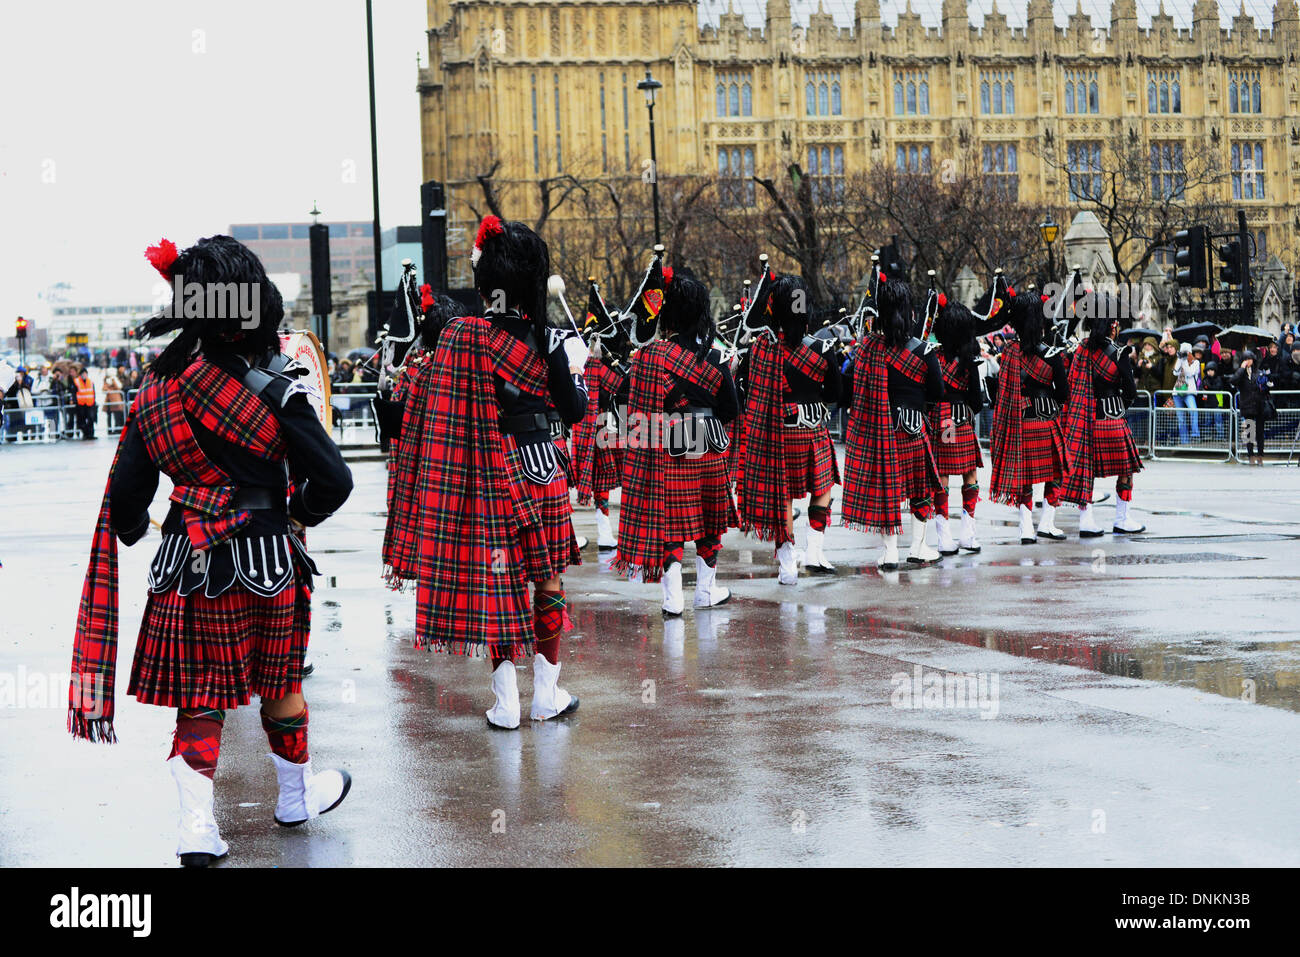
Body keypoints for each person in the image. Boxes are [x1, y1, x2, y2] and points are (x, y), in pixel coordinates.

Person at [67, 235, 354, 867]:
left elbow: (125, 510)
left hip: (186, 565)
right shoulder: (280, 388)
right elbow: (335, 481)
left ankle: (196, 829)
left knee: (200, 698)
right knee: (280, 686)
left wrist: (145, 526)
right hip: (267, 563)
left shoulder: (156, 394)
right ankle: (295, 799)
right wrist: (291, 516)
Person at [404, 215, 587, 729]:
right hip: (540, 468)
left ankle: (506, 704)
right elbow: (572, 413)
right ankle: (546, 694)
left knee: (499, 582)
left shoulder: (461, 336)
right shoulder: (548, 339)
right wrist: (580, 376)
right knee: (547, 582)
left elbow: (445, 411)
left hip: (484, 470)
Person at [614, 269, 739, 613]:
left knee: (670, 526)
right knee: (710, 524)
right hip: (710, 449)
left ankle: (673, 599)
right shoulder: (716, 358)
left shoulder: (647, 358)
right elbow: (731, 409)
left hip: (668, 449)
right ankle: (705, 591)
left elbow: (624, 404)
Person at [735, 275, 841, 582]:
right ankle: (814, 552)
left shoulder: (760, 350)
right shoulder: (822, 349)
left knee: (783, 497)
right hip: (812, 429)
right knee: (821, 491)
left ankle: (787, 563)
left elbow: (746, 389)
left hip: (778, 432)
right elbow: (836, 394)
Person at [841, 279, 945, 569]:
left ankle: (890, 553)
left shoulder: (868, 350)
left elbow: (849, 388)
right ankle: (918, 546)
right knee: (920, 491)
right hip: (913, 431)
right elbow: (937, 393)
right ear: (909, 312)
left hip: (879, 432)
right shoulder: (924, 351)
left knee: (887, 492)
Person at [989, 291, 1072, 544]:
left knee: (1024, 477)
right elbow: (1064, 394)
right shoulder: (1052, 354)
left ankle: (1026, 527)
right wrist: (1050, 403)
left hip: (1020, 422)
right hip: (1047, 421)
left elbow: (1002, 393)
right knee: (1055, 473)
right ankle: (1047, 523)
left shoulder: (1010, 353)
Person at [1060, 300, 1146, 535]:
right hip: (1112, 420)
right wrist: (1120, 405)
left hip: (1085, 421)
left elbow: (1071, 387)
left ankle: (1086, 520)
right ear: (1112, 325)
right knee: (1126, 469)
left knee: (1086, 470)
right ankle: (1122, 518)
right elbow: (1130, 392)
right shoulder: (1119, 353)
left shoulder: (1079, 352)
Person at [928, 295, 985, 554]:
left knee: (942, 475)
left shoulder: (934, 357)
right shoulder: (968, 362)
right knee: (969, 475)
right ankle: (967, 534)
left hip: (941, 418)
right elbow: (977, 400)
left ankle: (944, 535)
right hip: (959, 420)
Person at [571, 338, 627, 552]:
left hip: (592, 428)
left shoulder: (577, 363)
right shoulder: (595, 367)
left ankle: (604, 532)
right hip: (603, 427)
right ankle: (604, 533)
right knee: (603, 484)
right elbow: (620, 385)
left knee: (600, 485)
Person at [1232, 351, 1270, 465]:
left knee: (1259, 432)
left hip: (1259, 405)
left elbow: (1266, 388)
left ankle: (1260, 455)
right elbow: (1233, 381)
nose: (1248, 361)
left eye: (1250, 358)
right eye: (1246, 359)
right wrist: (1241, 368)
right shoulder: (1241, 373)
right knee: (1249, 432)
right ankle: (1250, 455)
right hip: (1247, 405)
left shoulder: (1259, 372)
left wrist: (1266, 384)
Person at [1172, 342, 1200, 444]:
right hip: (1177, 392)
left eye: (1186, 352)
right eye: (1183, 352)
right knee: (1181, 418)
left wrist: (1184, 361)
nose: (1185, 354)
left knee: (1193, 411)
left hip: (1189, 392)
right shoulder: (1181, 360)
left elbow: (1190, 373)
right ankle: (1184, 441)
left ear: (1190, 352)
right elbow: (1175, 372)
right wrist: (1180, 359)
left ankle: (1195, 435)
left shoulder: (1196, 363)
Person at [73, 365, 97, 439]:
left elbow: (93, 392)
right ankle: (85, 434)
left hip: (90, 403)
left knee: (91, 419)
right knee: (81, 420)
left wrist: (94, 400)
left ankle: (91, 434)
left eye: (85, 373)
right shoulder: (76, 381)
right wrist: (74, 401)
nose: (84, 375)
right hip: (81, 404)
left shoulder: (90, 381)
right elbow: (74, 392)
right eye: (83, 373)